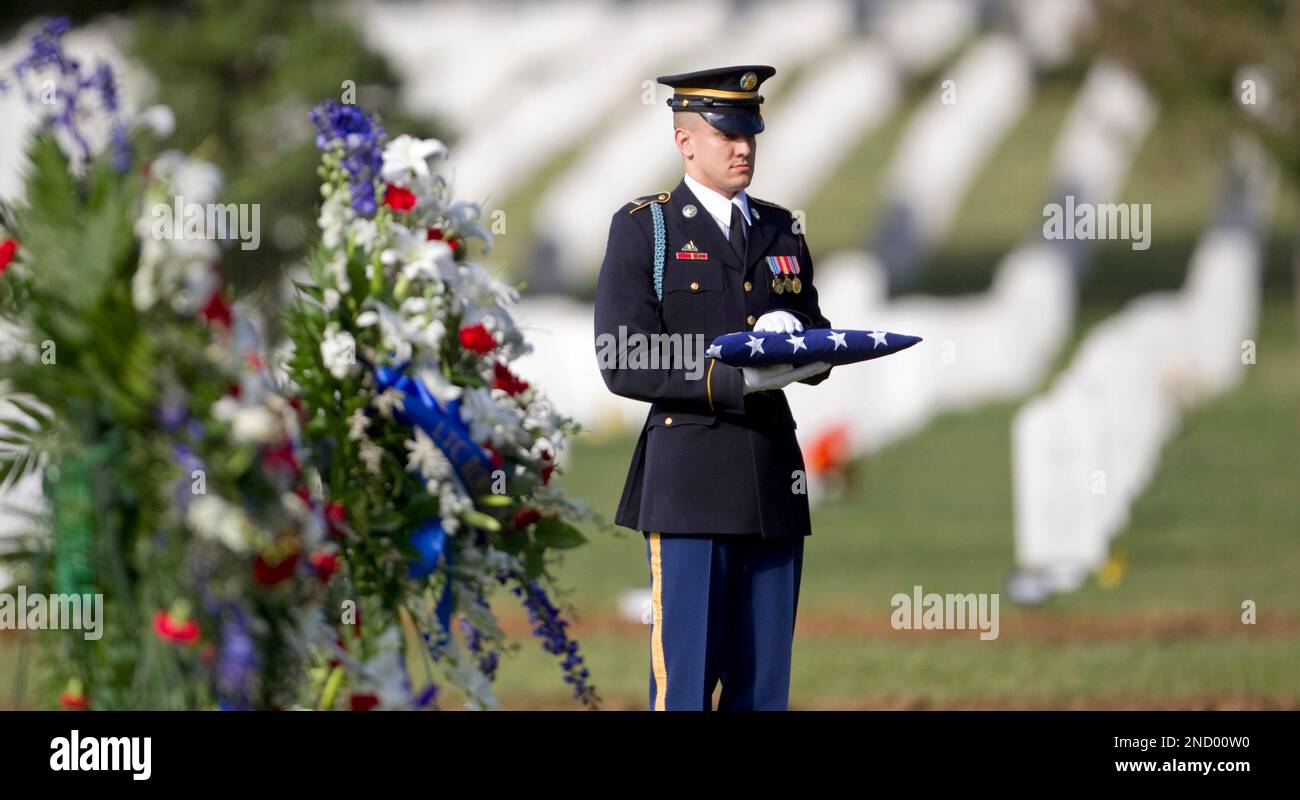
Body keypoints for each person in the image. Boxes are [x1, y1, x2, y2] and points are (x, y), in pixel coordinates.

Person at [592, 65, 833, 710]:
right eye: (726, 133)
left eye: (750, 132)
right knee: (688, 688)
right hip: (690, 486)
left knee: (763, 691)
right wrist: (735, 373)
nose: (743, 146)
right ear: (685, 140)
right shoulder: (648, 228)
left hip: (771, 481)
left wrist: (800, 339)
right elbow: (624, 356)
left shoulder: (782, 229)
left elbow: (818, 338)